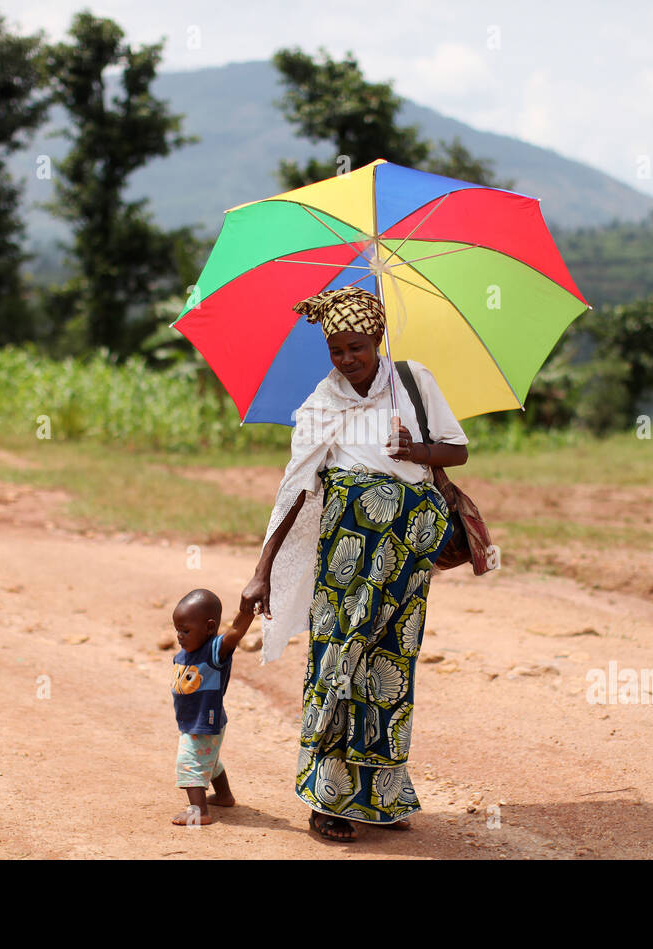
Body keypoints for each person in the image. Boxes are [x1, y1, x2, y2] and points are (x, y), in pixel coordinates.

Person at [240, 287, 470, 842]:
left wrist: (416, 452)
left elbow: (458, 450)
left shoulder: (414, 383)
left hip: (408, 556)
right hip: (348, 565)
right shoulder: (323, 404)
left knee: (391, 671)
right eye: (337, 350)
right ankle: (329, 802)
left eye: (357, 348)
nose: (347, 360)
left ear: (378, 340)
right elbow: (295, 490)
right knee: (338, 666)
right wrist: (262, 567)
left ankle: (382, 797)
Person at [169, 588, 255, 826]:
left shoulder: (213, 652)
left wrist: (247, 610)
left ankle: (199, 811)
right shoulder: (185, 654)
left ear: (208, 627)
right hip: (200, 722)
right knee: (210, 760)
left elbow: (236, 632)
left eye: (185, 630)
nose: (179, 636)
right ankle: (224, 796)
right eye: (177, 630)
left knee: (189, 763)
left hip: (203, 723)